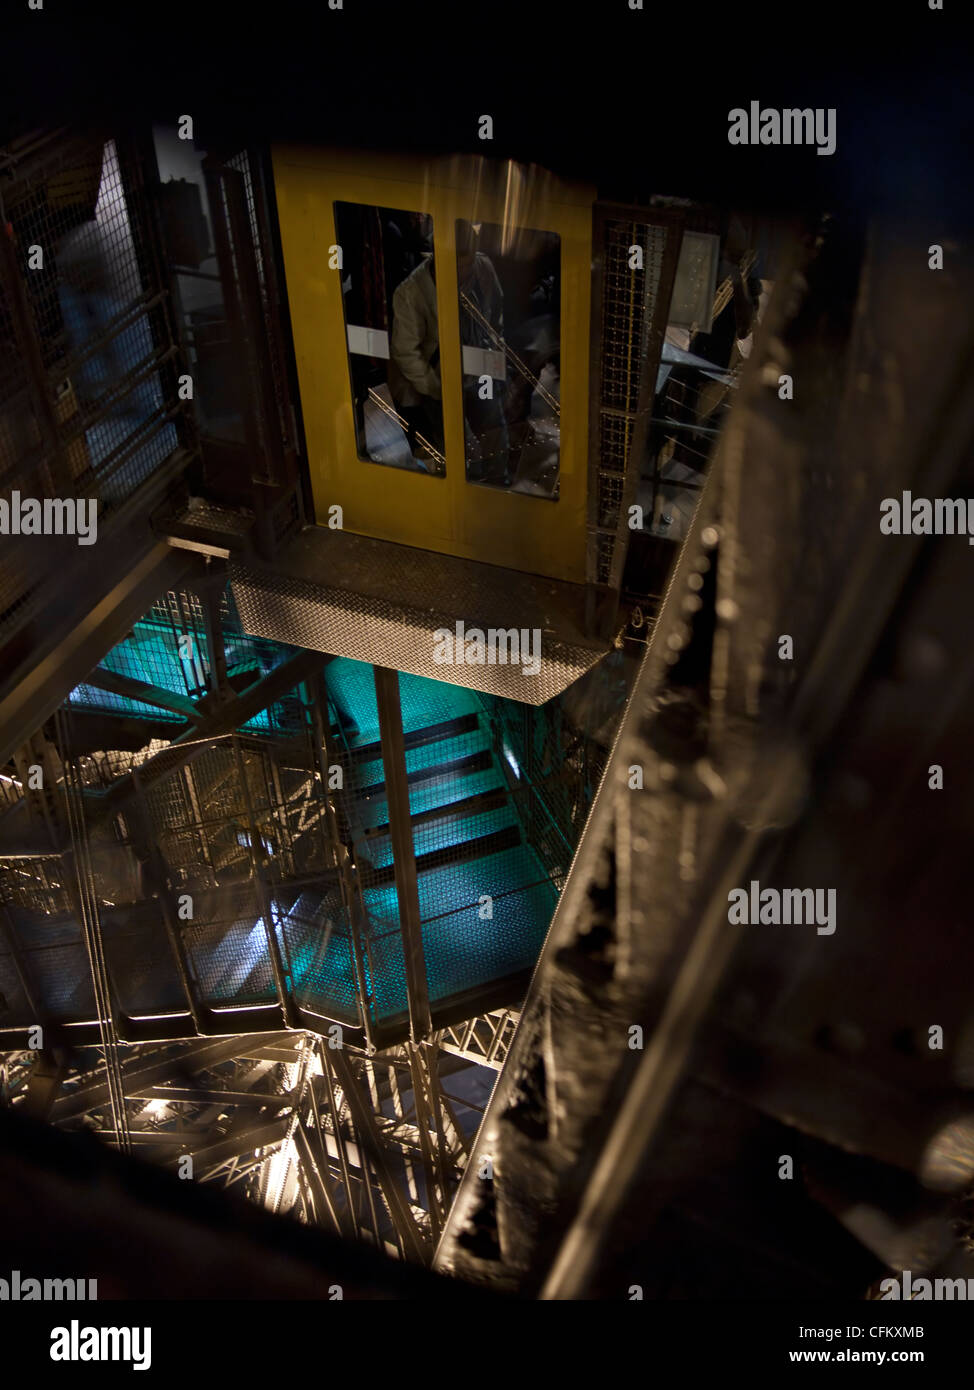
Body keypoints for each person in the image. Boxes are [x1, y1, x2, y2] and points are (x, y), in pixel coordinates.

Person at [456, 221, 510, 487]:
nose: (466, 271)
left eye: (468, 264)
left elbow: (496, 316)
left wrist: (497, 359)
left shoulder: (483, 267)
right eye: (461, 266)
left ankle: (498, 477)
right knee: (459, 432)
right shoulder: (427, 282)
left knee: (492, 421)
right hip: (449, 366)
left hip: (480, 359)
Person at [387, 251, 444, 468]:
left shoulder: (481, 268)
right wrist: (439, 391)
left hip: (458, 375)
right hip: (424, 383)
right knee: (430, 449)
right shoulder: (409, 293)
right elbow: (406, 353)